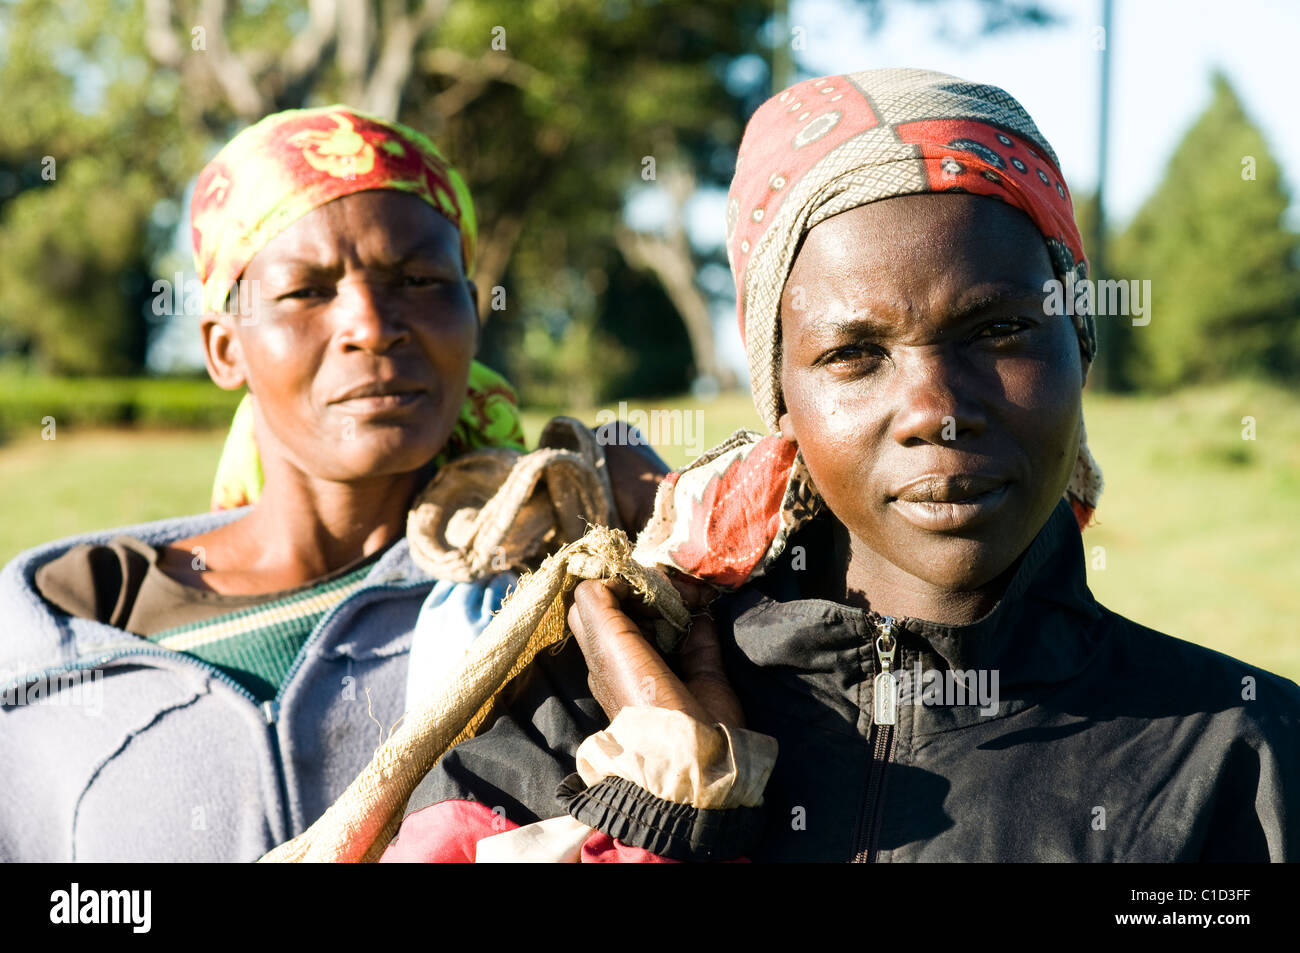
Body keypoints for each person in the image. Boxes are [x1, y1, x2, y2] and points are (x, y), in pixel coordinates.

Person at [379, 68, 1300, 863]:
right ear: (780, 400)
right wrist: (657, 817)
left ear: (1082, 344)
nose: (937, 407)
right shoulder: (576, 728)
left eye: (999, 330)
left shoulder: (1243, 756)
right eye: (856, 355)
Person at [0, 106, 662, 862]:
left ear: (471, 314)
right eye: (308, 290)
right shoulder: (55, 649)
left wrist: (661, 523)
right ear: (224, 348)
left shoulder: (551, 586)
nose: (373, 324)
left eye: (419, 278)